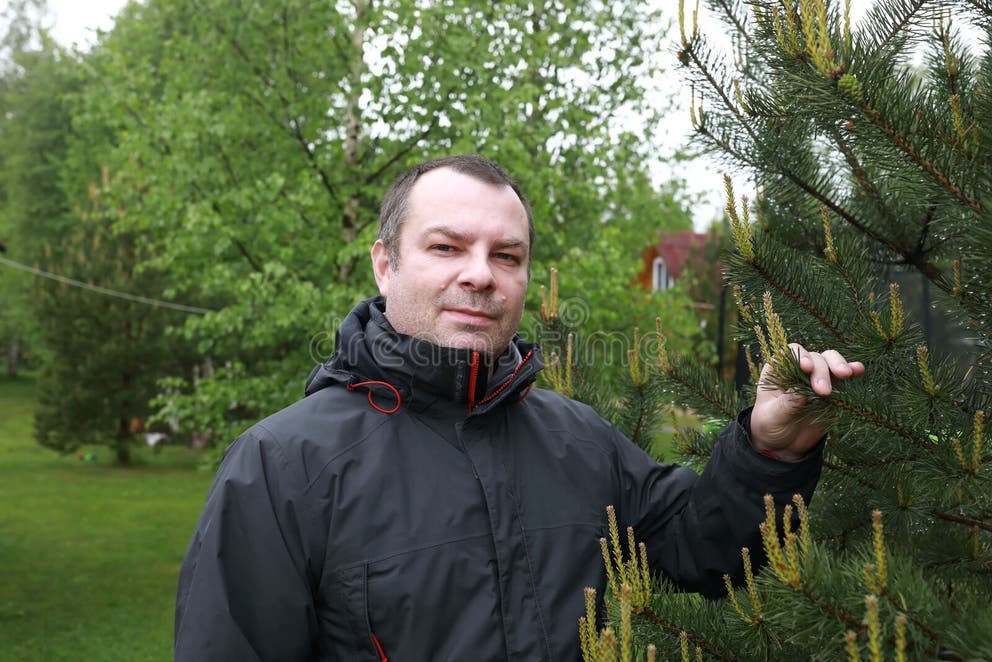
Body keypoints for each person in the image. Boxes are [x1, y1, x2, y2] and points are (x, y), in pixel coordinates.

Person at [174, 155, 864, 661]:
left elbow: (706, 551)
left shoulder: (577, 440)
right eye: (446, 247)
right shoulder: (282, 466)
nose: (480, 274)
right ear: (385, 264)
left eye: (506, 255)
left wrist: (770, 449)